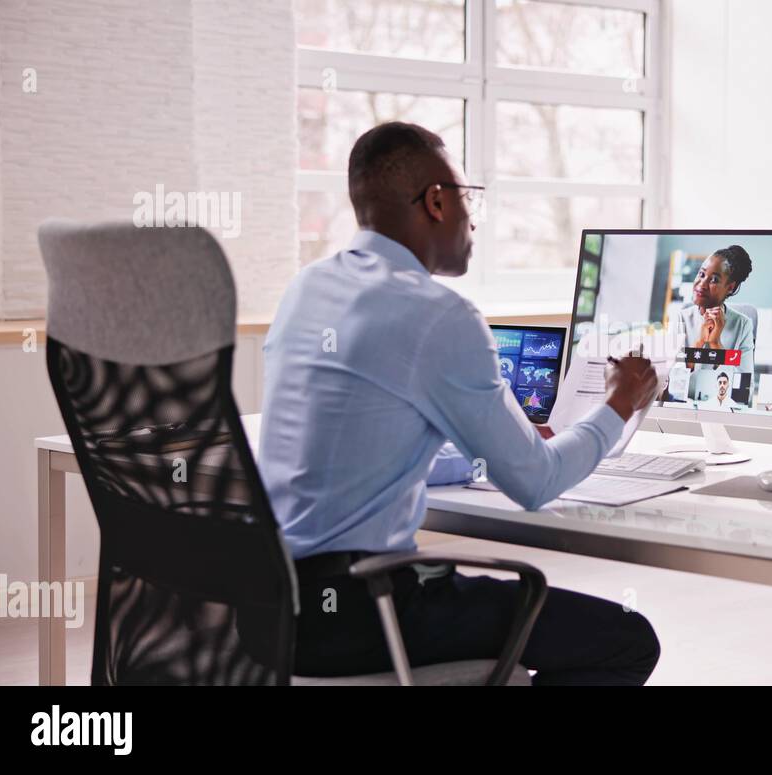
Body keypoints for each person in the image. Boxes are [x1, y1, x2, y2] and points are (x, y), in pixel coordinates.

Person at [259, 122, 663, 685]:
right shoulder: (438, 314)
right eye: (469, 200)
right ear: (437, 201)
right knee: (625, 639)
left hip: (275, 614)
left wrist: (488, 452)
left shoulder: (307, 288)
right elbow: (536, 484)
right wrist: (618, 405)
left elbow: (370, 447)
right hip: (368, 614)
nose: (473, 220)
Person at [671, 246, 756, 376]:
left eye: (714, 280)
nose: (702, 284)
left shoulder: (743, 326)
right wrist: (698, 344)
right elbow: (669, 379)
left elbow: (743, 386)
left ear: (730, 288)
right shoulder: (680, 319)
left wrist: (715, 344)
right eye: (702, 274)